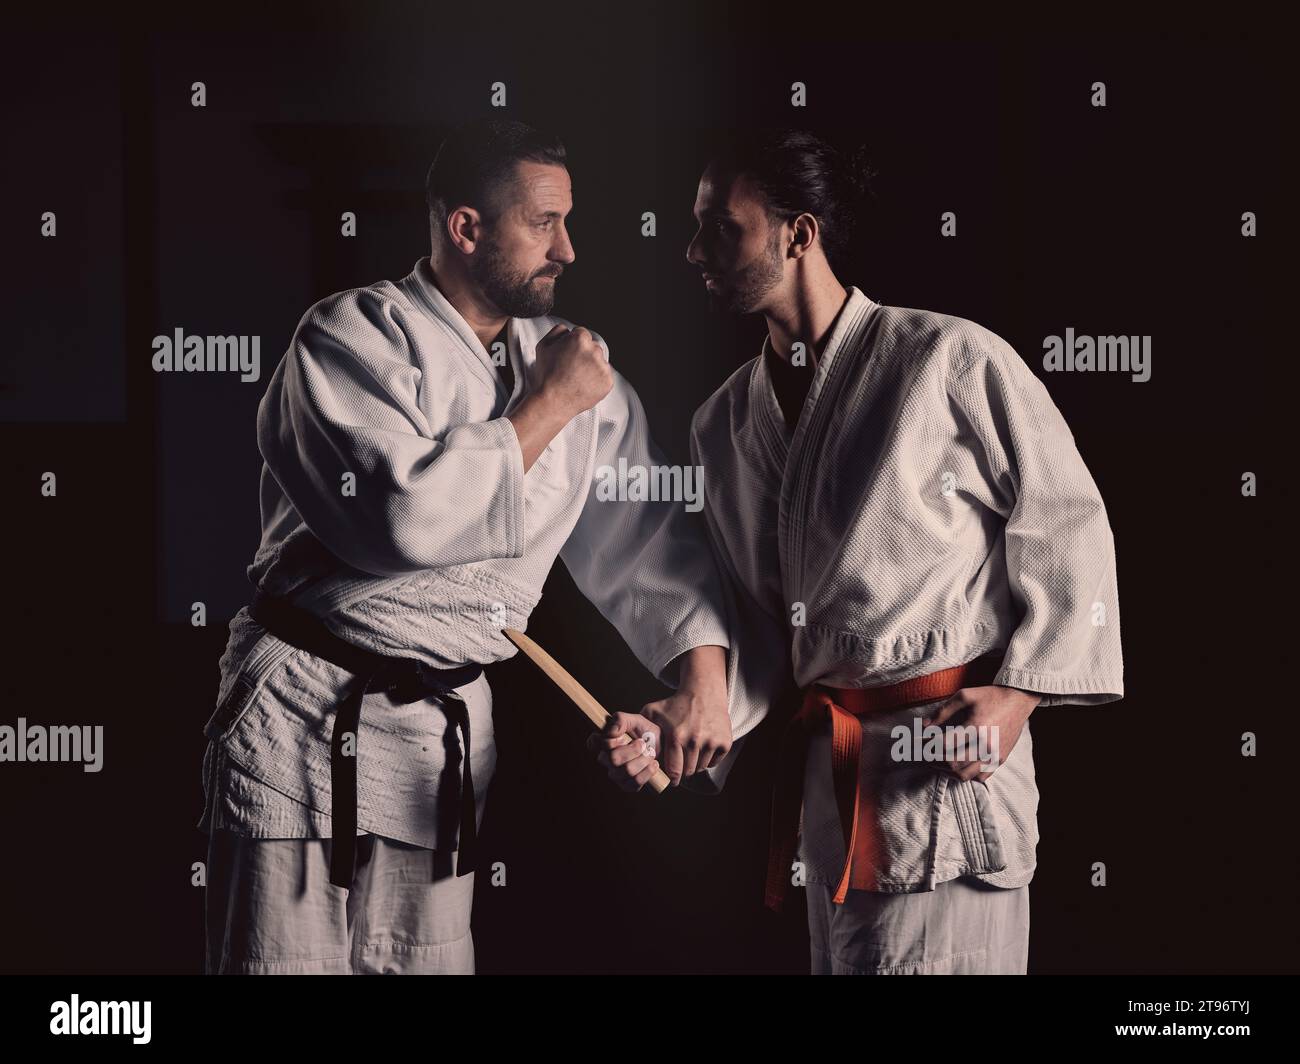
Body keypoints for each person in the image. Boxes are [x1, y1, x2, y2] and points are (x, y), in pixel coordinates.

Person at [198, 117, 749, 975]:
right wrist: (546, 406)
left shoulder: (578, 370)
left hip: (441, 746)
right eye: (544, 223)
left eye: (569, 222)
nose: (567, 249)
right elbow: (400, 519)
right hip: (305, 720)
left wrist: (703, 687)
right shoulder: (350, 338)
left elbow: (651, 544)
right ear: (466, 228)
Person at [594, 129, 1124, 975]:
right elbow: (764, 633)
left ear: (798, 234)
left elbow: (1070, 525)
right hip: (832, 795)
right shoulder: (723, 423)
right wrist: (687, 721)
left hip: (947, 772)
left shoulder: (946, 360)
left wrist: (1019, 697)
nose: (693, 250)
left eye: (722, 228)